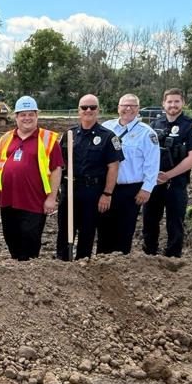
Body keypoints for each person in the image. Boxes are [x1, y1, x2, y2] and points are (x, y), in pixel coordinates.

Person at [0, 96, 63, 261]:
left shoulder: (49, 139)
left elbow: (56, 170)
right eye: (23, 115)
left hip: (34, 201)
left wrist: (51, 198)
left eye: (31, 114)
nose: (27, 118)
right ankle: (18, 270)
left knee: (30, 241)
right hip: (8, 200)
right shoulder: (5, 139)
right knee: (11, 237)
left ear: (37, 115)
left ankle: (28, 273)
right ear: (16, 117)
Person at [56, 94, 123, 261]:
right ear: (78, 110)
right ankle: (62, 264)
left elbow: (113, 167)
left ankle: (82, 264)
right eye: (84, 107)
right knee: (64, 229)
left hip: (92, 191)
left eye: (92, 107)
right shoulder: (69, 134)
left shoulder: (108, 136)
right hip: (70, 189)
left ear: (98, 110)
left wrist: (107, 194)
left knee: (87, 231)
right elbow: (58, 163)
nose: (88, 110)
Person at [142, 88, 192, 257]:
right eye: (169, 101)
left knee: (175, 223)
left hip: (176, 184)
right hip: (154, 183)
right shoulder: (154, 125)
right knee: (149, 221)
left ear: (183, 103)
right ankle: (149, 256)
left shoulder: (191, 127)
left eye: (176, 101)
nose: (173, 105)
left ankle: (173, 259)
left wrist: (168, 175)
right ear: (163, 103)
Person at [97, 94, 159, 255]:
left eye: (132, 106)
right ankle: (101, 263)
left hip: (130, 190)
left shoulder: (147, 133)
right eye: (125, 105)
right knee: (104, 229)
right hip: (107, 188)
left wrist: (147, 189)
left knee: (124, 230)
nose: (128, 109)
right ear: (118, 108)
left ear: (138, 110)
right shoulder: (106, 127)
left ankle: (121, 264)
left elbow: (152, 164)